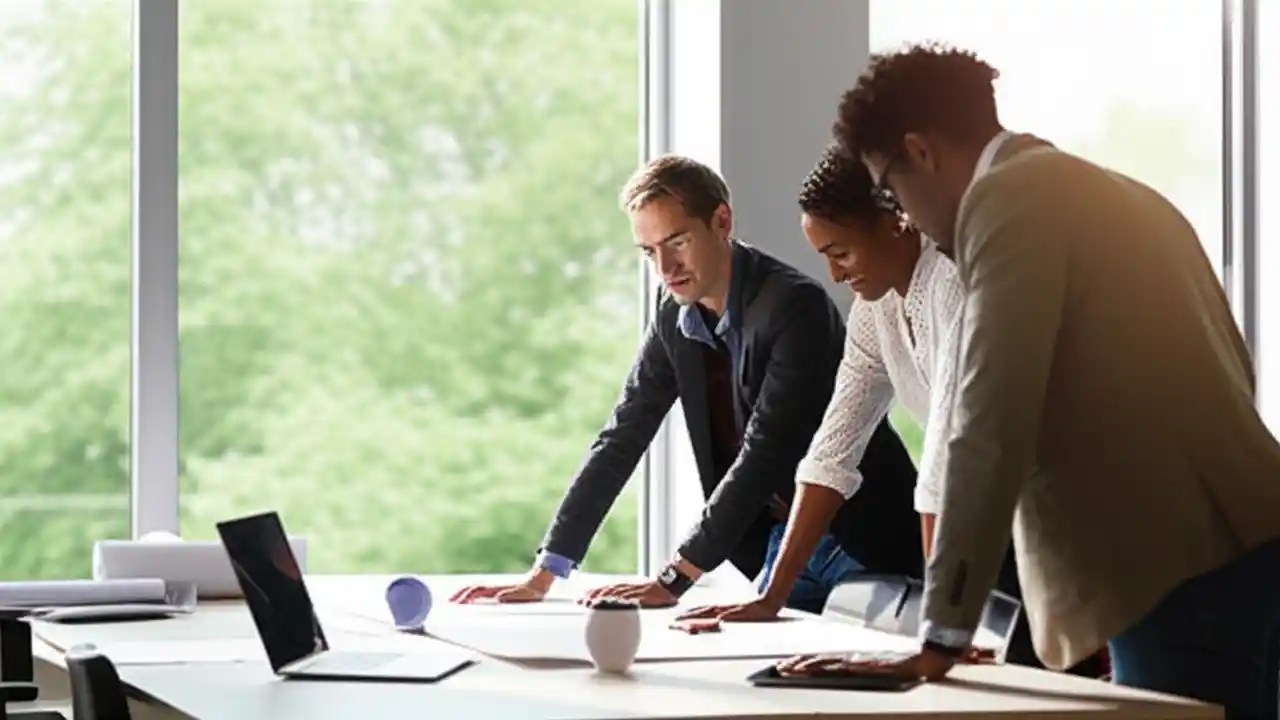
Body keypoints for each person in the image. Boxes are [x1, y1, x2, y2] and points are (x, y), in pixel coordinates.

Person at [779, 43, 1280, 720]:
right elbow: (1231, 364)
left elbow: (987, 425)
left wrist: (941, 634)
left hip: (1171, 562)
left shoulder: (1007, 206)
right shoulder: (1108, 188)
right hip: (1244, 534)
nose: (903, 214)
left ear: (920, 151)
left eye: (888, 188)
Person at [451, 155, 921, 613]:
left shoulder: (794, 307)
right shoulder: (673, 312)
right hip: (777, 549)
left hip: (858, 543)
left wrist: (675, 578)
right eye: (649, 251)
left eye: (677, 242)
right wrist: (545, 572)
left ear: (721, 221)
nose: (665, 267)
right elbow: (623, 435)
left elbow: (765, 452)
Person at [675, 145, 1047, 670]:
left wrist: (933, 644)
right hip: (992, 529)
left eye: (842, 252)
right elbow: (831, 454)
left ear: (896, 222)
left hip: (1056, 524)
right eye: (823, 255)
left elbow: (944, 462)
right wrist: (770, 598)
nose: (833, 274)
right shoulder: (875, 310)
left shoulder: (953, 284)